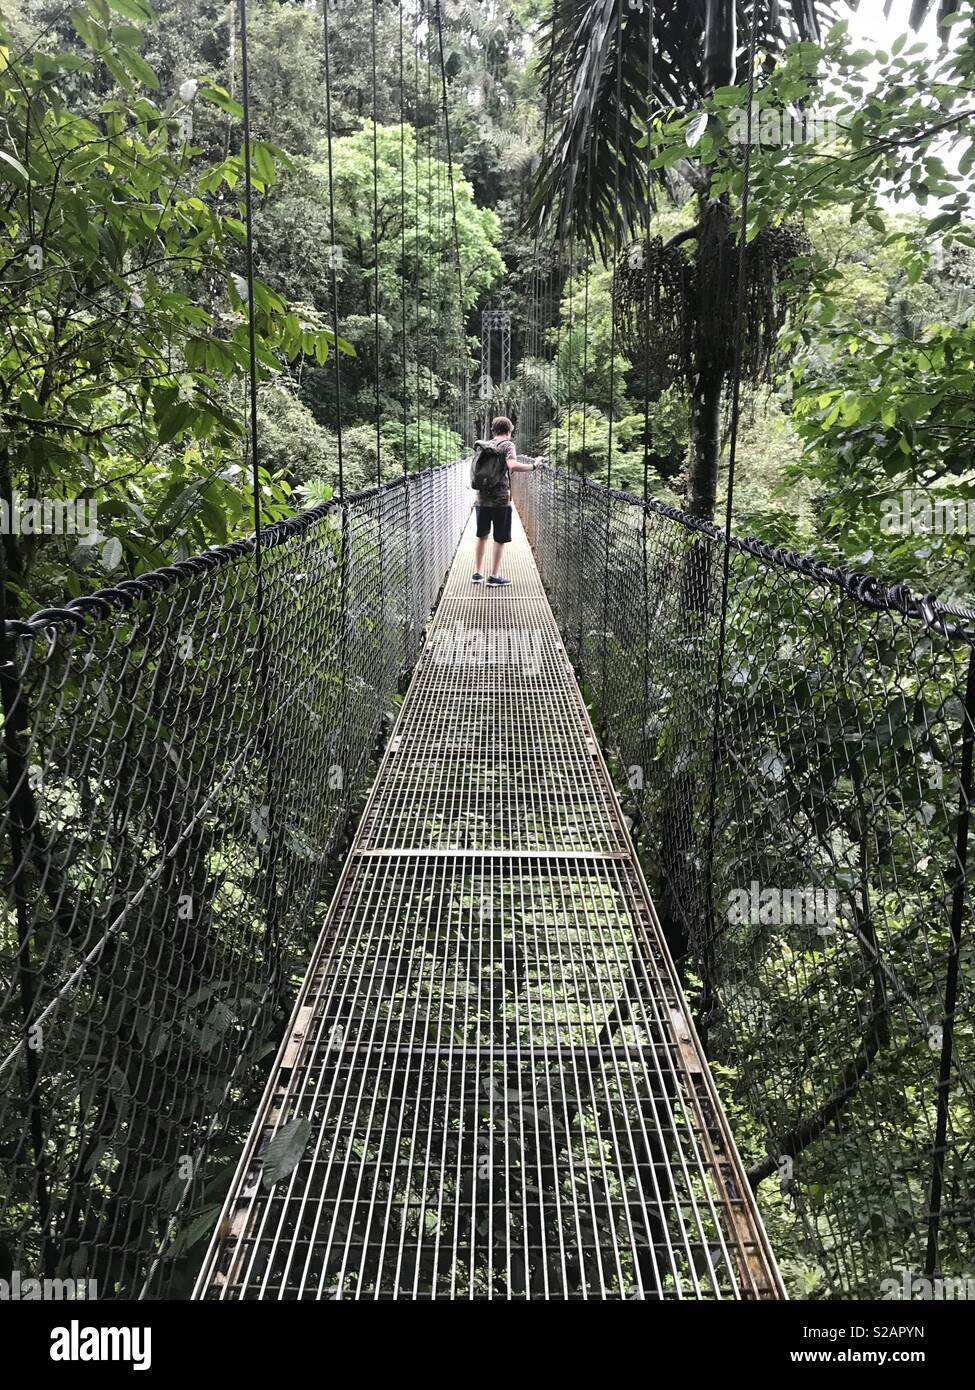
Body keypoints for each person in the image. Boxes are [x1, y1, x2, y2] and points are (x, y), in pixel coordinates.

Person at [469, 417, 544, 587]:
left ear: (493, 431)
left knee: (481, 535)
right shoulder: (508, 445)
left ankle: (477, 574)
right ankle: (494, 576)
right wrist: (534, 466)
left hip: (481, 499)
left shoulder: (485, 446)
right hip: (500, 500)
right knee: (499, 538)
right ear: (510, 431)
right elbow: (512, 465)